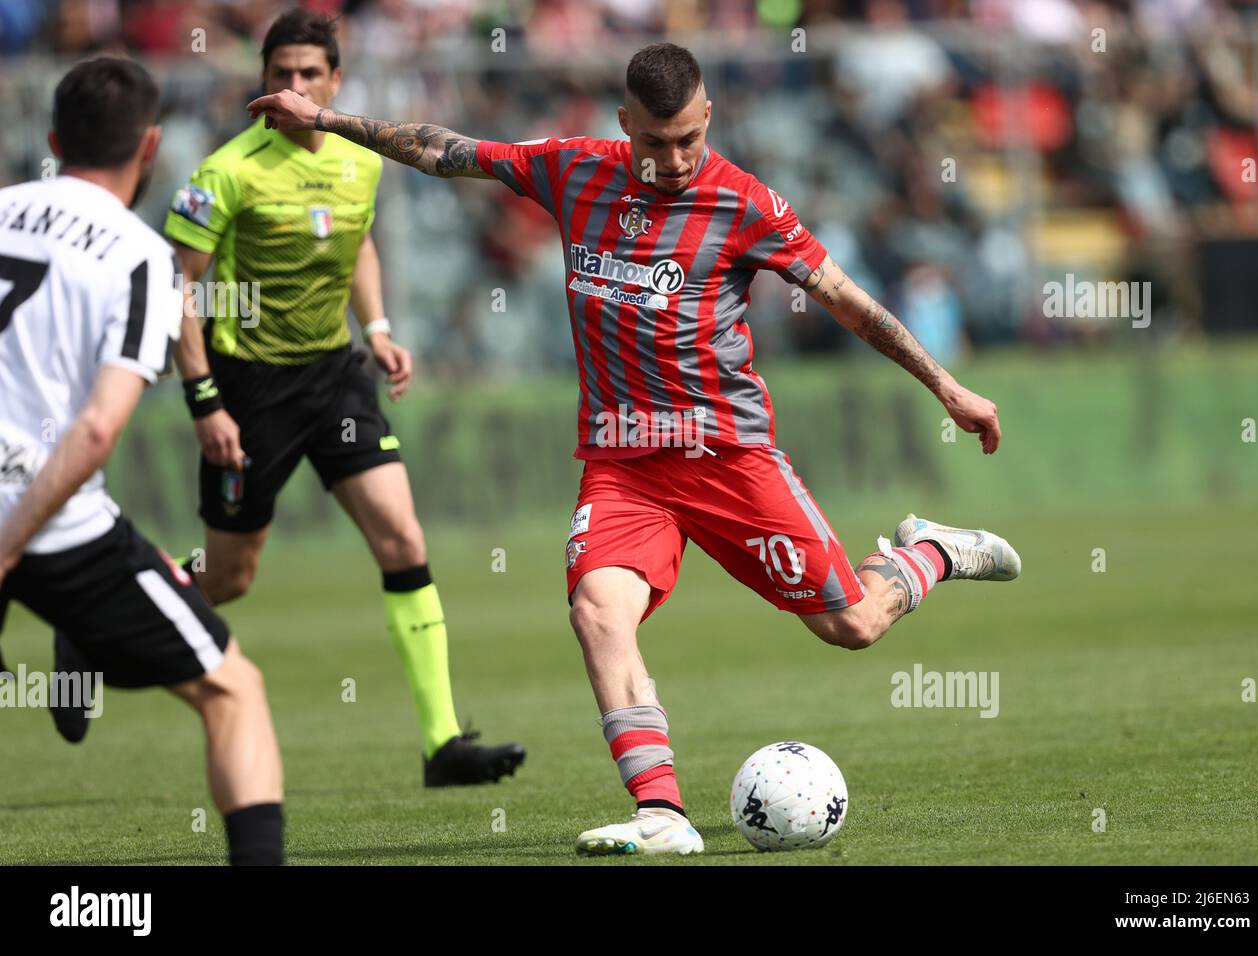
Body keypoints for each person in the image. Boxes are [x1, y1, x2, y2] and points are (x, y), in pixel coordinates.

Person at [247, 41, 1021, 856]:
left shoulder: (745, 203)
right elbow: (446, 151)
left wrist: (947, 387)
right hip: (623, 468)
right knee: (597, 611)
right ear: (625, 125)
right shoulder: (573, 168)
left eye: (689, 138)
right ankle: (662, 812)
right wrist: (327, 119)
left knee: (853, 626)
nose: (676, 159)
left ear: (707, 117)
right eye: (656, 143)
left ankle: (929, 553)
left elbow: (851, 304)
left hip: (728, 457)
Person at [144, 9, 522, 786]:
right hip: (249, 388)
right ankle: (117, 601)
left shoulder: (361, 162)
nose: (293, 87)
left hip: (336, 375)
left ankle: (443, 743)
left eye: (309, 74)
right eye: (280, 73)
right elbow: (177, 291)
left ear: (335, 82)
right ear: (261, 83)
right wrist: (205, 403)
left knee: (403, 541)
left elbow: (357, 243)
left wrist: (377, 327)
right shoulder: (228, 170)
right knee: (231, 578)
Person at [0, 57, 283, 865]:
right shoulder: (140, 258)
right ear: (150, 146)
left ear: (52, 139)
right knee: (233, 690)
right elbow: (95, 432)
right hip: (49, 522)